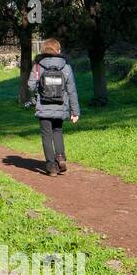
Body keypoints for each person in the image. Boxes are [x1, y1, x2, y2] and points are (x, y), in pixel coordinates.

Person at [26, 38, 81, 177]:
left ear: (43, 50)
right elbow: (72, 90)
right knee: (58, 131)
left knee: (46, 136)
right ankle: (60, 157)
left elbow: (30, 86)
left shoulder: (38, 66)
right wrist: (75, 112)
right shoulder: (66, 66)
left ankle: (51, 167)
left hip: (44, 107)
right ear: (58, 50)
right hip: (60, 107)